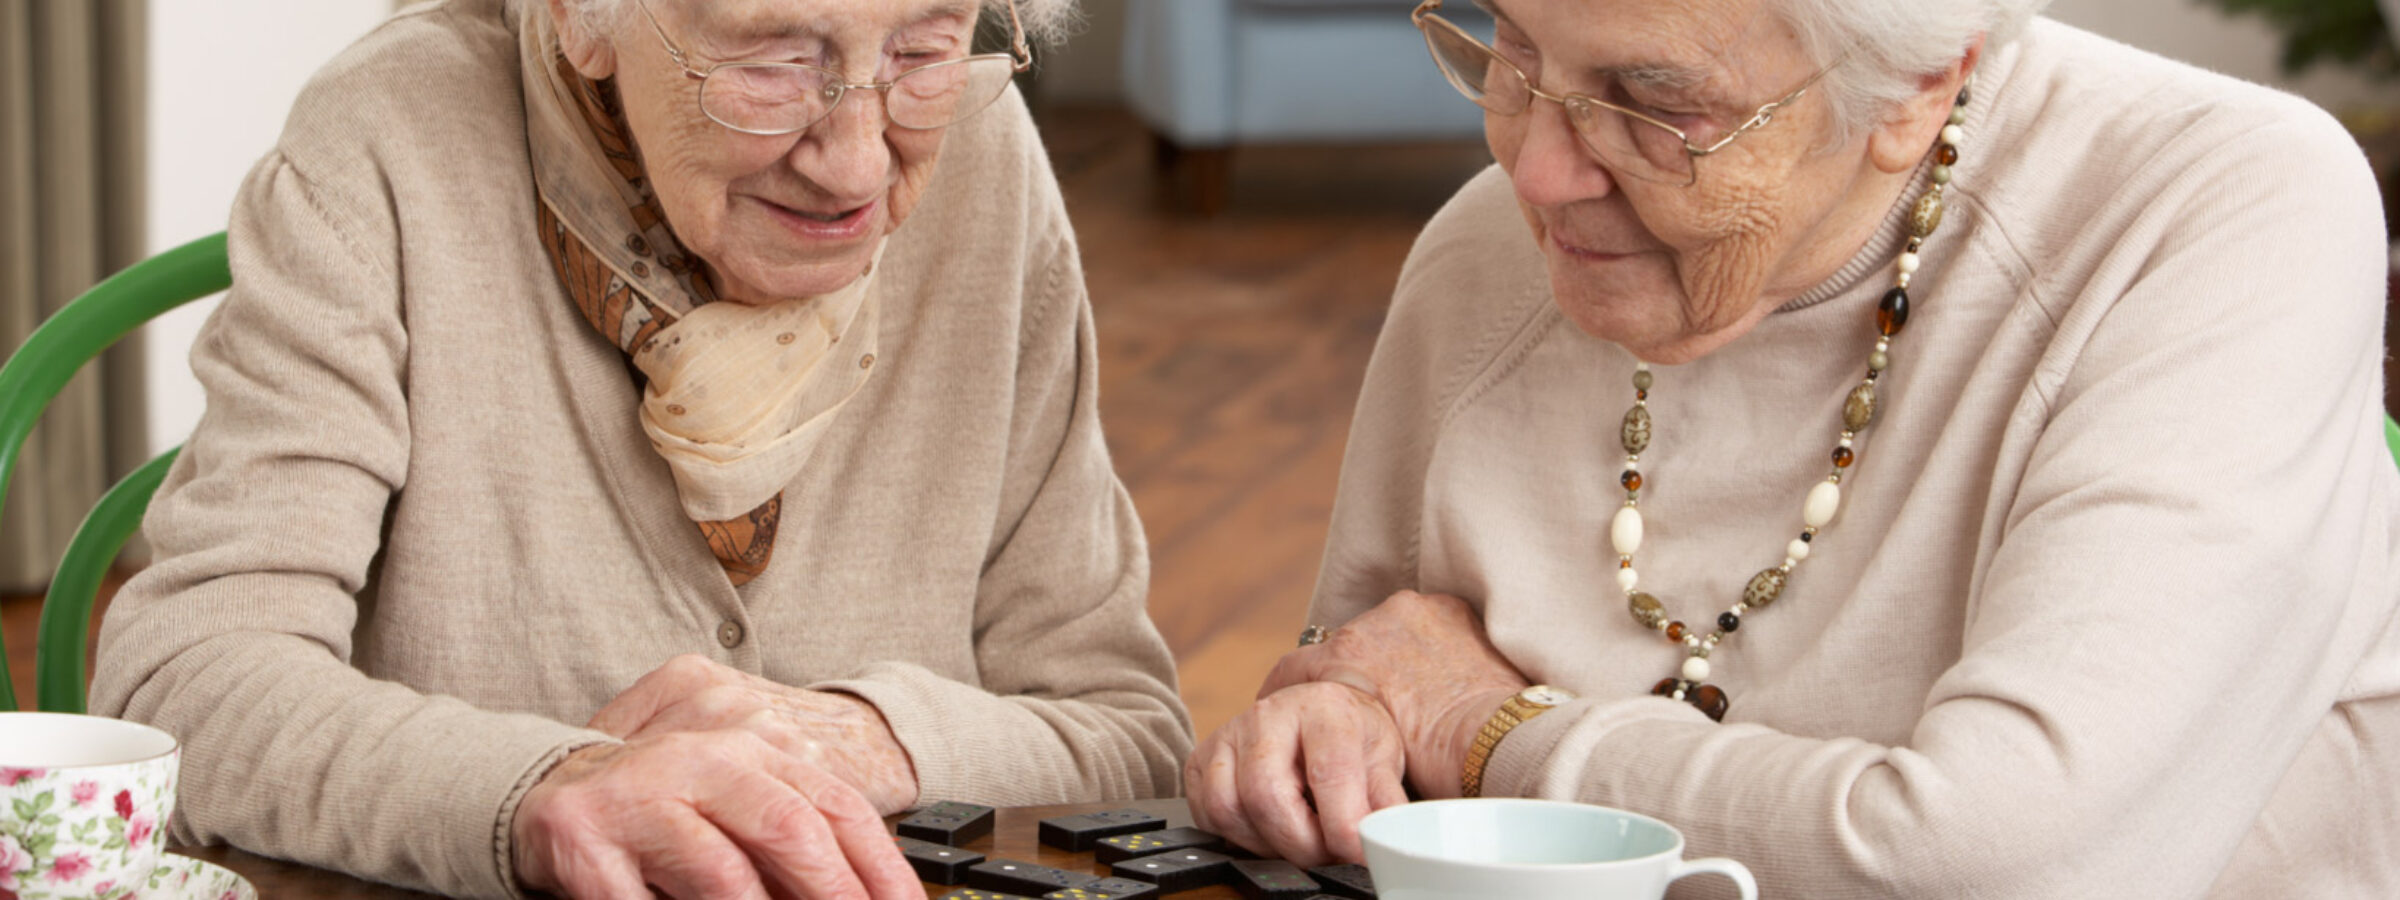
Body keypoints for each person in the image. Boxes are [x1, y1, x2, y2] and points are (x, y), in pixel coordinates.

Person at [1187, 0, 2400, 895]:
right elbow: (1371, 706)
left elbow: (2022, 865)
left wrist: (1493, 733)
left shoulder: (2213, 208)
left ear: (1925, 87)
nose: (1539, 169)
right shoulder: (1488, 262)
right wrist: (1327, 735)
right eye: (1509, 48)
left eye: (1656, 103)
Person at [90, 0, 1194, 897]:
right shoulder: (390, 140)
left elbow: (1127, 731)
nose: (858, 164)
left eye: (925, 47)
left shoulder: (986, 157)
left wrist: (872, 737)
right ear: (581, 16)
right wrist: (542, 790)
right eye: (771, 59)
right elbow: (186, 690)